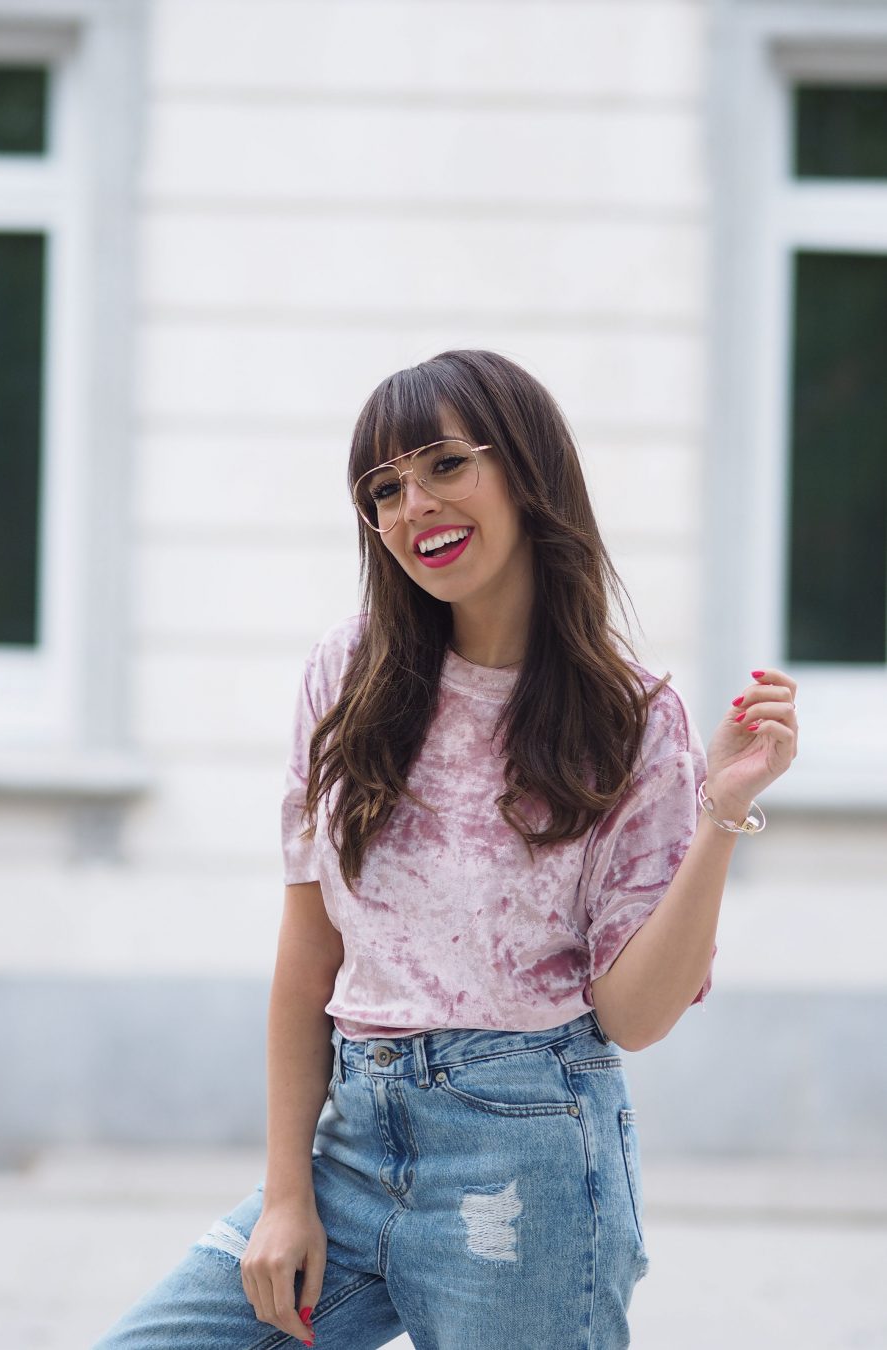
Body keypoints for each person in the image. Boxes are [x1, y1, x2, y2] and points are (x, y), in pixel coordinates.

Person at [93, 349, 798, 1349]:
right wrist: (286, 1194)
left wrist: (720, 811)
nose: (412, 503)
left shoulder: (633, 721)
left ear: (524, 469)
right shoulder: (347, 678)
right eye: (383, 488)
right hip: (350, 1144)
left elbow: (633, 1016)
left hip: (524, 1161)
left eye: (442, 465)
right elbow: (309, 957)